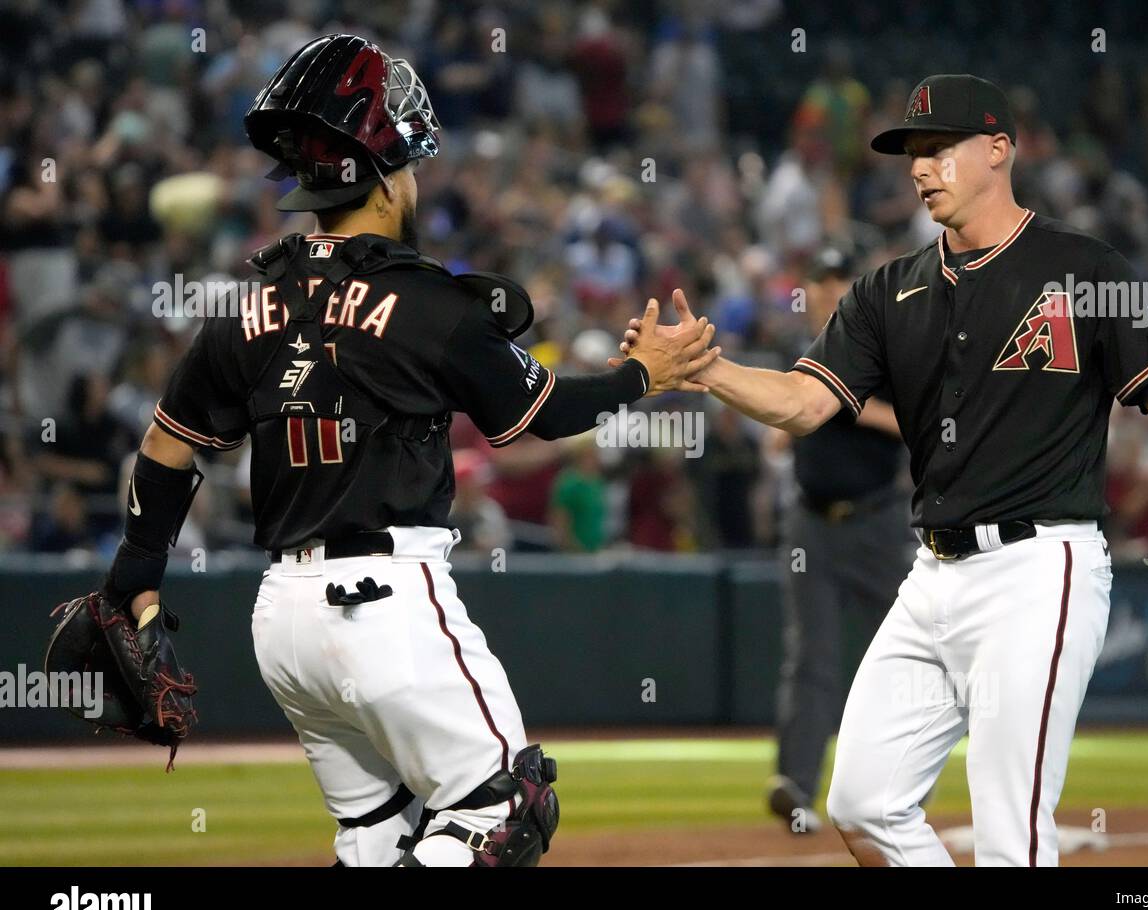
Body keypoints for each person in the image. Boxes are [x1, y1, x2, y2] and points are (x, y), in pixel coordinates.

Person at [95, 35, 717, 867]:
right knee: (503, 809)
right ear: (386, 176)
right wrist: (644, 374)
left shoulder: (247, 306)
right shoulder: (428, 303)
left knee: (376, 836)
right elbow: (540, 414)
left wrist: (134, 575)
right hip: (384, 599)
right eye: (411, 168)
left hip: (281, 621)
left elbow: (168, 443)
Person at [618, 74, 1148, 866]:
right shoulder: (887, 291)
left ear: (996, 150)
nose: (919, 167)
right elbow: (804, 403)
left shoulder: (1085, 269)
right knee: (864, 804)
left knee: (1010, 829)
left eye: (938, 148)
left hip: (1038, 570)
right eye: (912, 151)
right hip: (932, 574)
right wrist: (708, 371)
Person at [766, 248, 912, 834]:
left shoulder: (889, 353)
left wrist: (842, 402)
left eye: (837, 282)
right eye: (819, 283)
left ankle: (898, 785)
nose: (827, 292)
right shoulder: (797, 355)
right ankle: (796, 787)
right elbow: (777, 430)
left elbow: (915, 426)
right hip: (810, 523)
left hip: (879, 521)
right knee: (812, 658)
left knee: (907, 656)